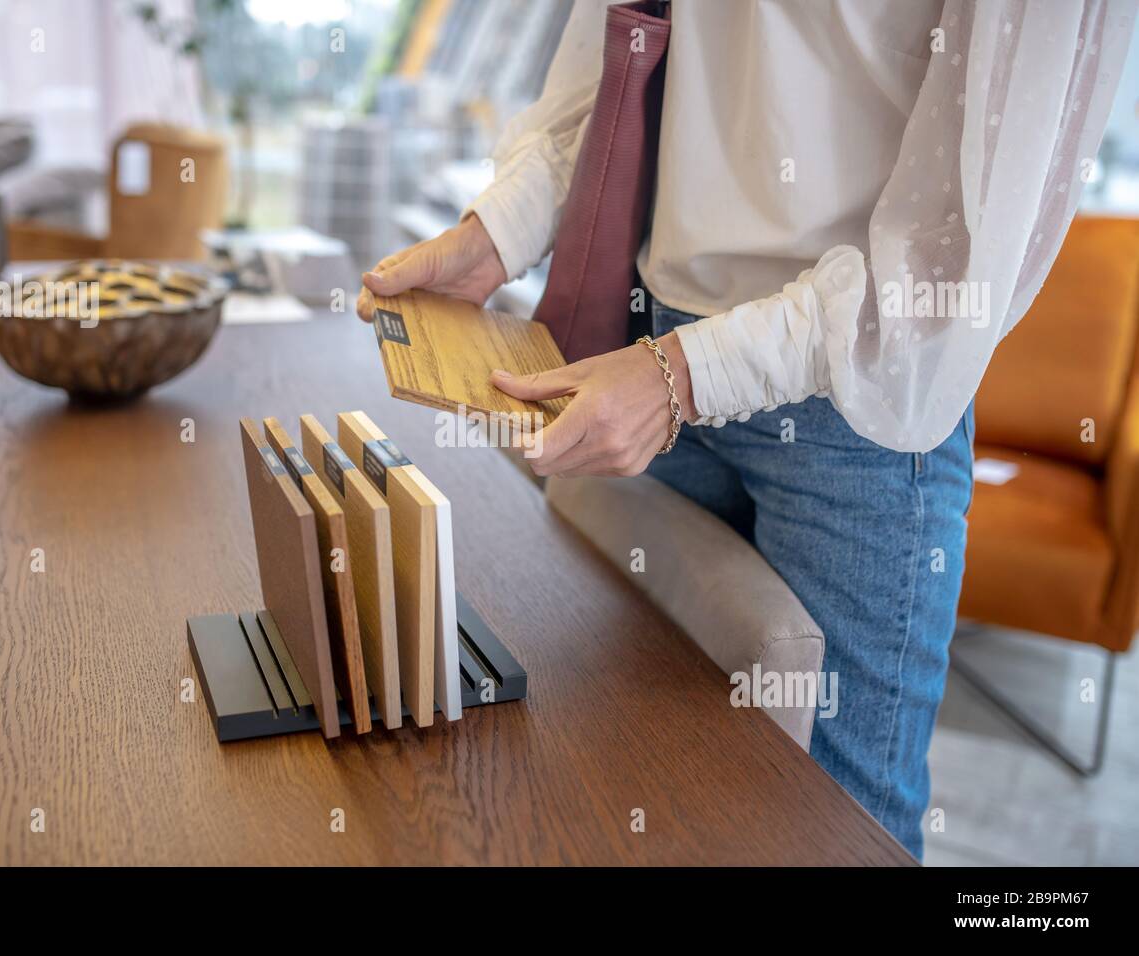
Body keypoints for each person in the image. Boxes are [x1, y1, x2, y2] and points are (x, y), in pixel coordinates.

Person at [355, 0, 1134, 857]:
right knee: (640, 773)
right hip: (651, 338)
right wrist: (494, 236)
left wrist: (682, 376)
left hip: (851, 406)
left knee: (835, 832)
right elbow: (608, 69)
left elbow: (958, 255)